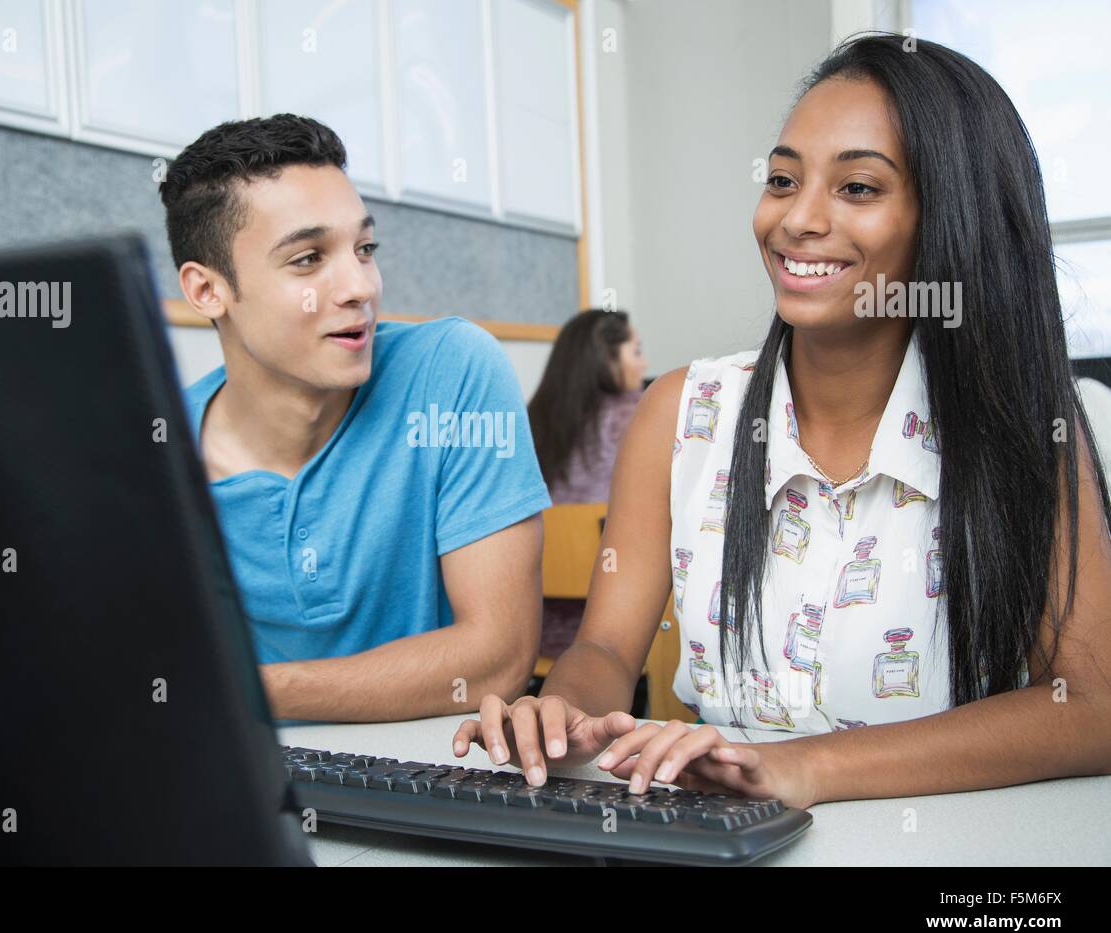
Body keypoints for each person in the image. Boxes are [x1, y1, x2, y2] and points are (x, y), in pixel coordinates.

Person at [453, 35, 1111, 805]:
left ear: (949, 217)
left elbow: (1094, 706)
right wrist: (564, 710)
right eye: (781, 179)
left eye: (858, 188)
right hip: (727, 846)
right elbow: (601, 645)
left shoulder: (1022, 421)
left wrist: (806, 765)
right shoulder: (679, 413)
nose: (797, 217)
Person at [162, 115, 551, 721]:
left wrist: (242, 690)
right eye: (308, 259)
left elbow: (498, 657)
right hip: (247, 795)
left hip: (434, 789)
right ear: (208, 291)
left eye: (364, 249)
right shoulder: (157, 449)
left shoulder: (452, 374)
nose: (360, 286)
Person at [527, 309, 646, 660]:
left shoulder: (530, 423)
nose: (645, 364)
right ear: (608, 359)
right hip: (614, 636)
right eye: (636, 352)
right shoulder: (641, 416)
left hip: (537, 634)